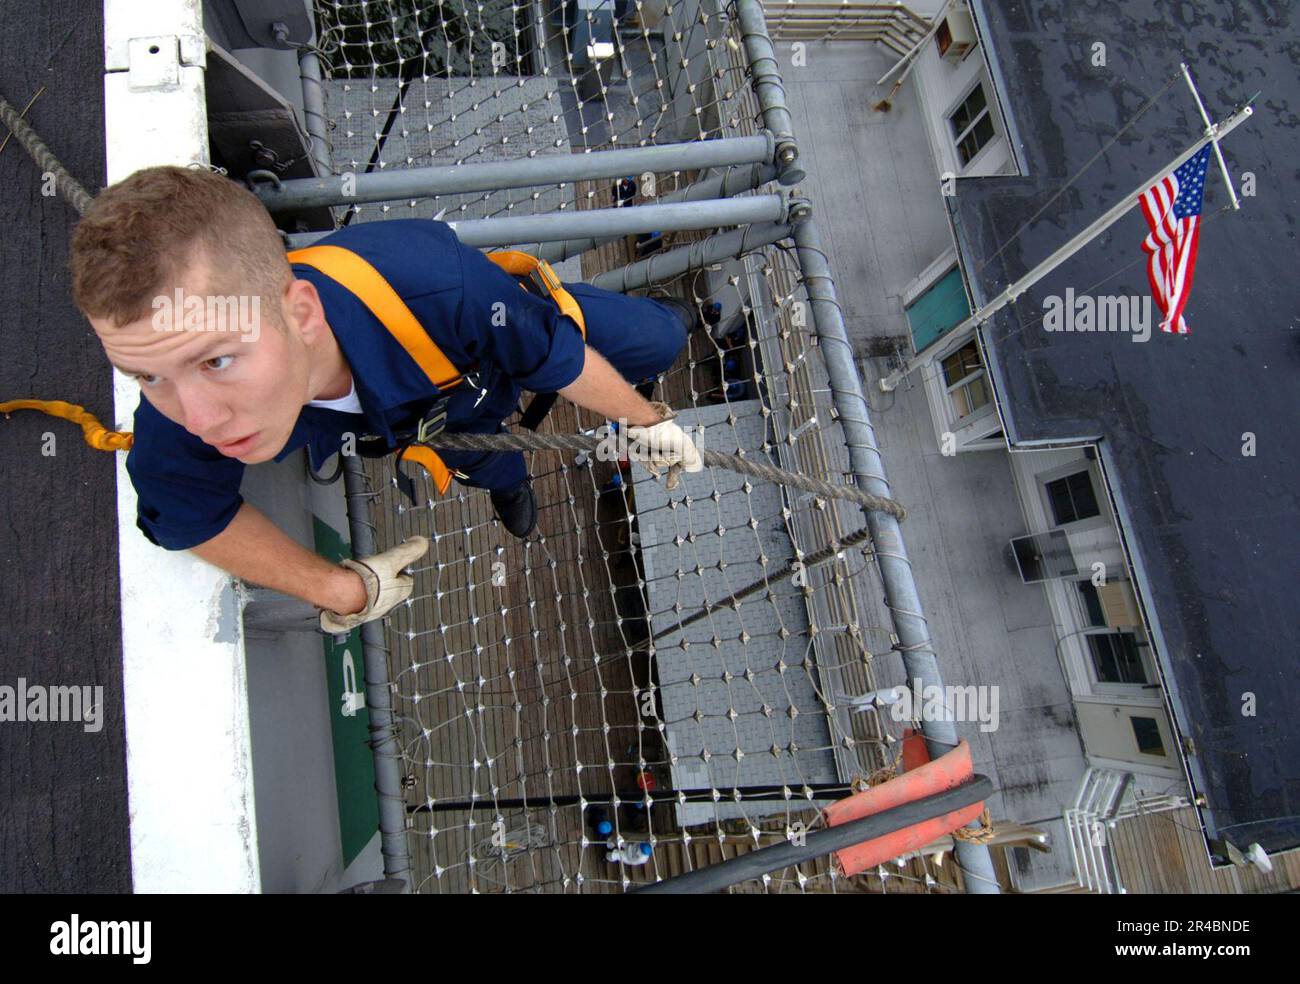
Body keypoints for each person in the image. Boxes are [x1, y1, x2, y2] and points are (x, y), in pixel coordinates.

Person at [68, 166, 702, 631]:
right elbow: (186, 515)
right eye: (146, 376)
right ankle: (512, 487)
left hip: (492, 341)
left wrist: (643, 420)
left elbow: (550, 357)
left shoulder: (432, 286)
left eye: (219, 360)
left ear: (303, 314)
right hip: (448, 420)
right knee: (485, 458)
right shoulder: (178, 412)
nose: (199, 420)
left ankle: (675, 315)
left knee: (655, 338)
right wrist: (342, 589)